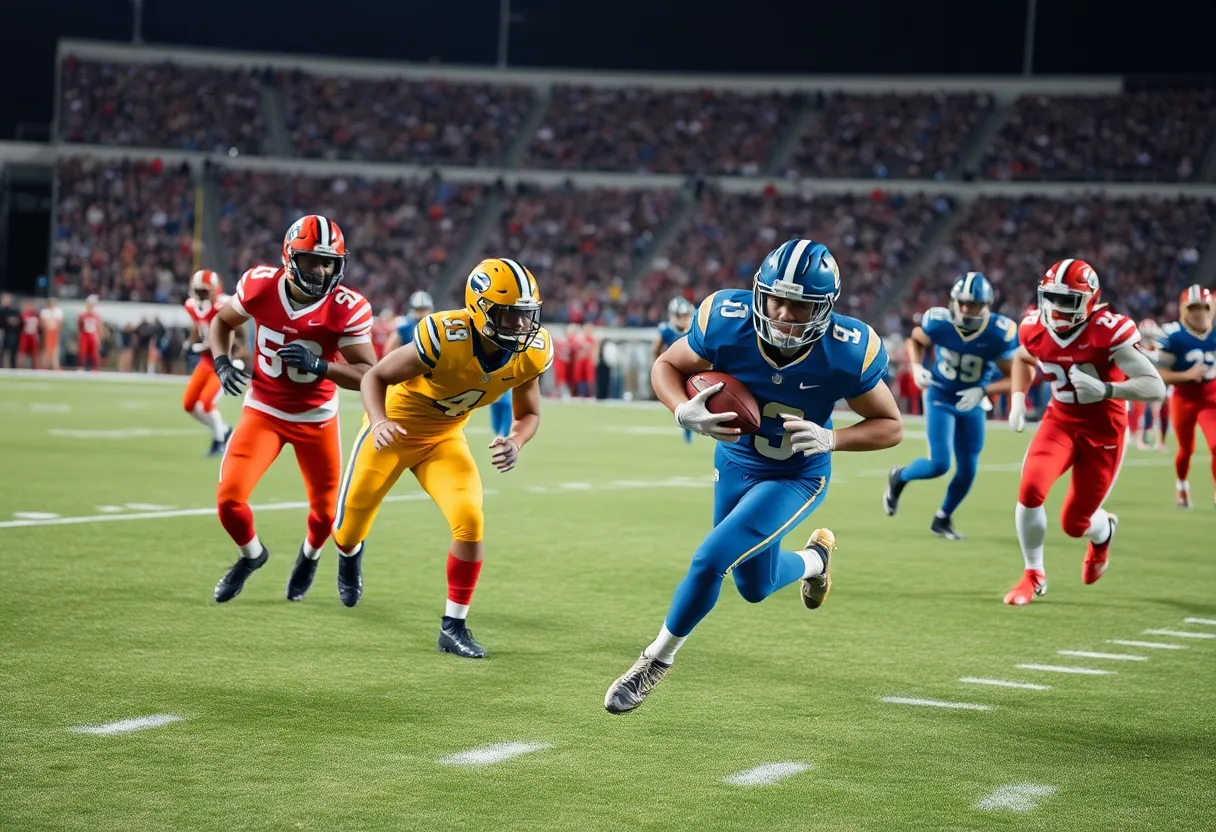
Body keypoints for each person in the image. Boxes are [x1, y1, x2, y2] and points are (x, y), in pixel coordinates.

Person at [603, 239, 903, 713]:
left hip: (796, 475)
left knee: (709, 560)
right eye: (775, 299)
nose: (783, 313)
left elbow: (891, 426)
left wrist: (833, 439)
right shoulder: (726, 319)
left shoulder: (847, 351)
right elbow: (668, 365)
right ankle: (816, 561)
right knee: (755, 586)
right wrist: (680, 408)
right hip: (736, 462)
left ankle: (653, 662)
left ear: (824, 309)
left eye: (799, 305)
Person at [332, 258, 551, 658]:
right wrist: (378, 421)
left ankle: (453, 627)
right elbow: (374, 376)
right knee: (347, 528)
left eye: (526, 316)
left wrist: (516, 441)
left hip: (444, 438)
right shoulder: (445, 336)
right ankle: (350, 553)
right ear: (481, 309)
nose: (522, 327)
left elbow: (529, 414)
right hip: (395, 429)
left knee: (469, 519)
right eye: (509, 316)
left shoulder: (532, 353)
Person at [207, 215, 377, 604]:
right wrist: (221, 362)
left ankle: (310, 556)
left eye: (328, 262)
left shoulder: (346, 308)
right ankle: (252, 556)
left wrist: (322, 367)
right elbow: (222, 321)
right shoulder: (260, 284)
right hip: (263, 410)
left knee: (324, 517)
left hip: (315, 418)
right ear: (289, 257)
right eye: (311, 260)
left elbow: (369, 374)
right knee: (229, 501)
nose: (320, 270)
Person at [1004, 259, 1165, 606]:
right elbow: (1022, 358)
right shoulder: (1033, 326)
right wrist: (1018, 399)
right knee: (1030, 488)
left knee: (1074, 524)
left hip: (1103, 431)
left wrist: (1107, 390)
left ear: (1090, 300)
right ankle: (1033, 574)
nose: (1056, 308)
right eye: (1051, 297)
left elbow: (1156, 388)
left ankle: (1103, 532)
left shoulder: (1107, 331)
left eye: (1067, 300)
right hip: (1059, 421)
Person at [883, 273, 1016, 539]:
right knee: (940, 463)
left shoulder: (999, 332)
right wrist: (917, 366)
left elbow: (1015, 377)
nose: (966, 309)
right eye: (962, 302)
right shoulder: (938, 320)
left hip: (972, 400)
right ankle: (900, 476)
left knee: (968, 470)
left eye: (973, 304)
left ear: (986, 305)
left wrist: (983, 390)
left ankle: (942, 519)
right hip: (940, 395)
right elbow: (916, 340)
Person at [1154, 285, 1216, 509]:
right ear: (1183, 309)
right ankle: (1181, 485)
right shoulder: (1174, 336)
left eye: (1203, 307)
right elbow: (1160, 375)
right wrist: (1186, 375)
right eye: (1193, 307)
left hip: (1211, 394)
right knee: (1186, 448)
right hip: (1184, 397)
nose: (1198, 312)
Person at [183, 270, 234, 455]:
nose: (201, 296)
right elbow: (198, 326)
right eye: (198, 291)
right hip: (206, 361)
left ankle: (219, 441)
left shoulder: (225, 306)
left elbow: (234, 337)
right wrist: (191, 343)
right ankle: (224, 429)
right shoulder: (191, 305)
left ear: (215, 290)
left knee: (206, 403)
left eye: (205, 291)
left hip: (223, 362)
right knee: (189, 404)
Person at [654, 296, 697, 443]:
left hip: (695, 368)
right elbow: (656, 349)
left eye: (685, 315)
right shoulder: (667, 330)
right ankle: (687, 427)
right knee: (681, 400)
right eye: (680, 315)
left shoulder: (696, 326)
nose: (683, 318)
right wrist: (661, 365)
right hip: (676, 369)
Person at [1129, 319, 1166, 451]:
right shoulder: (1136, 346)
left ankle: (1158, 441)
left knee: (1157, 412)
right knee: (1139, 412)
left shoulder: (1158, 346)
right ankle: (1138, 440)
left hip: (1155, 382)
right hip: (1140, 382)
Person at [77, 295, 103, 371]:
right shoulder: (82, 315)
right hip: (84, 335)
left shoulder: (96, 316)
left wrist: (99, 337)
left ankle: (94, 368)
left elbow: (99, 327)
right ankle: (81, 367)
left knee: (94, 353)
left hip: (93, 335)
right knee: (82, 352)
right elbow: (79, 327)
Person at [40, 299, 64, 371]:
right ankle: (45, 366)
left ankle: (55, 366)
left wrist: (55, 329)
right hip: (47, 332)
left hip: (54, 332)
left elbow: (60, 323)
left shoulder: (58, 312)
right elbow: (42, 323)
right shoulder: (45, 312)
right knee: (46, 350)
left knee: (55, 350)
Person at [0, 293, 22, 368]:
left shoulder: (14, 310)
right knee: (3, 350)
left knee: (13, 350)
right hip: (3, 332)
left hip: (13, 333)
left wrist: (14, 321)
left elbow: (19, 321)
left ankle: (13, 366)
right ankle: (1, 366)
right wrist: (7, 320)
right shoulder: (2, 310)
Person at [17, 302, 40, 369]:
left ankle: (36, 367)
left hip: (33, 335)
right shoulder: (23, 315)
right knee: (22, 352)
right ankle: (20, 367)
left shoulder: (36, 315)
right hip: (25, 335)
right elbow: (20, 325)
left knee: (35, 353)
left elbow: (39, 326)